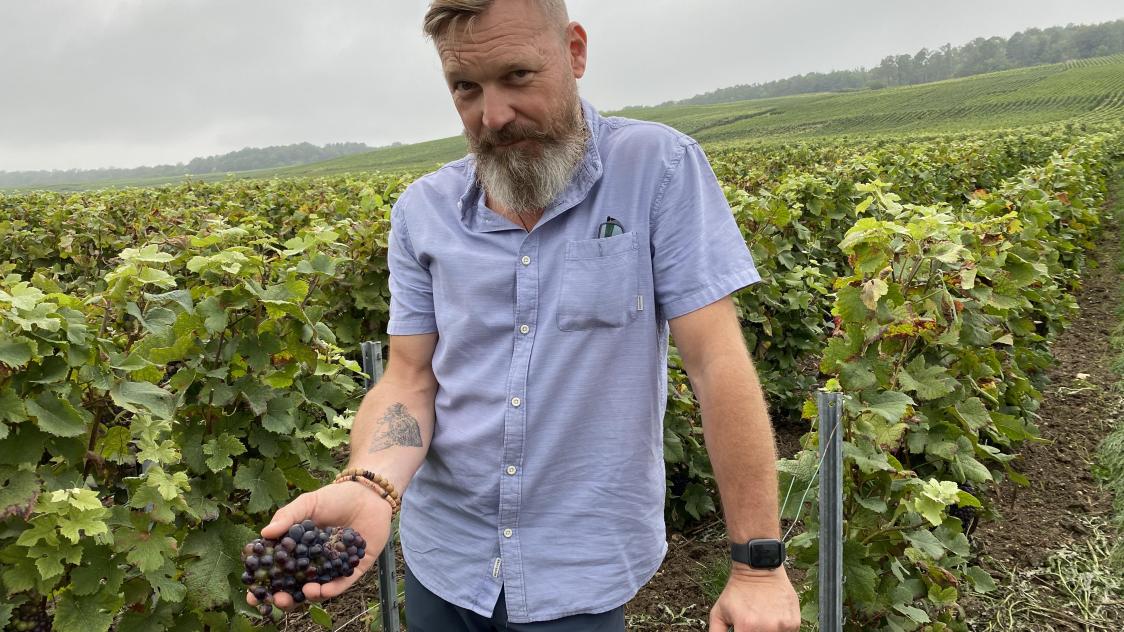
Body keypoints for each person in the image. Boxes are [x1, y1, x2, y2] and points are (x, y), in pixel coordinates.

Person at [250, 0, 801, 630]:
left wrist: (756, 565)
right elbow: (410, 378)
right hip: (445, 560)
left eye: (517, 76)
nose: (494, 115)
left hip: (579, 573)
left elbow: (715, 361)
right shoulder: (422, 211)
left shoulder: (659, 169)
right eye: (465, 88)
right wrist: (368, 483)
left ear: (574, 52)